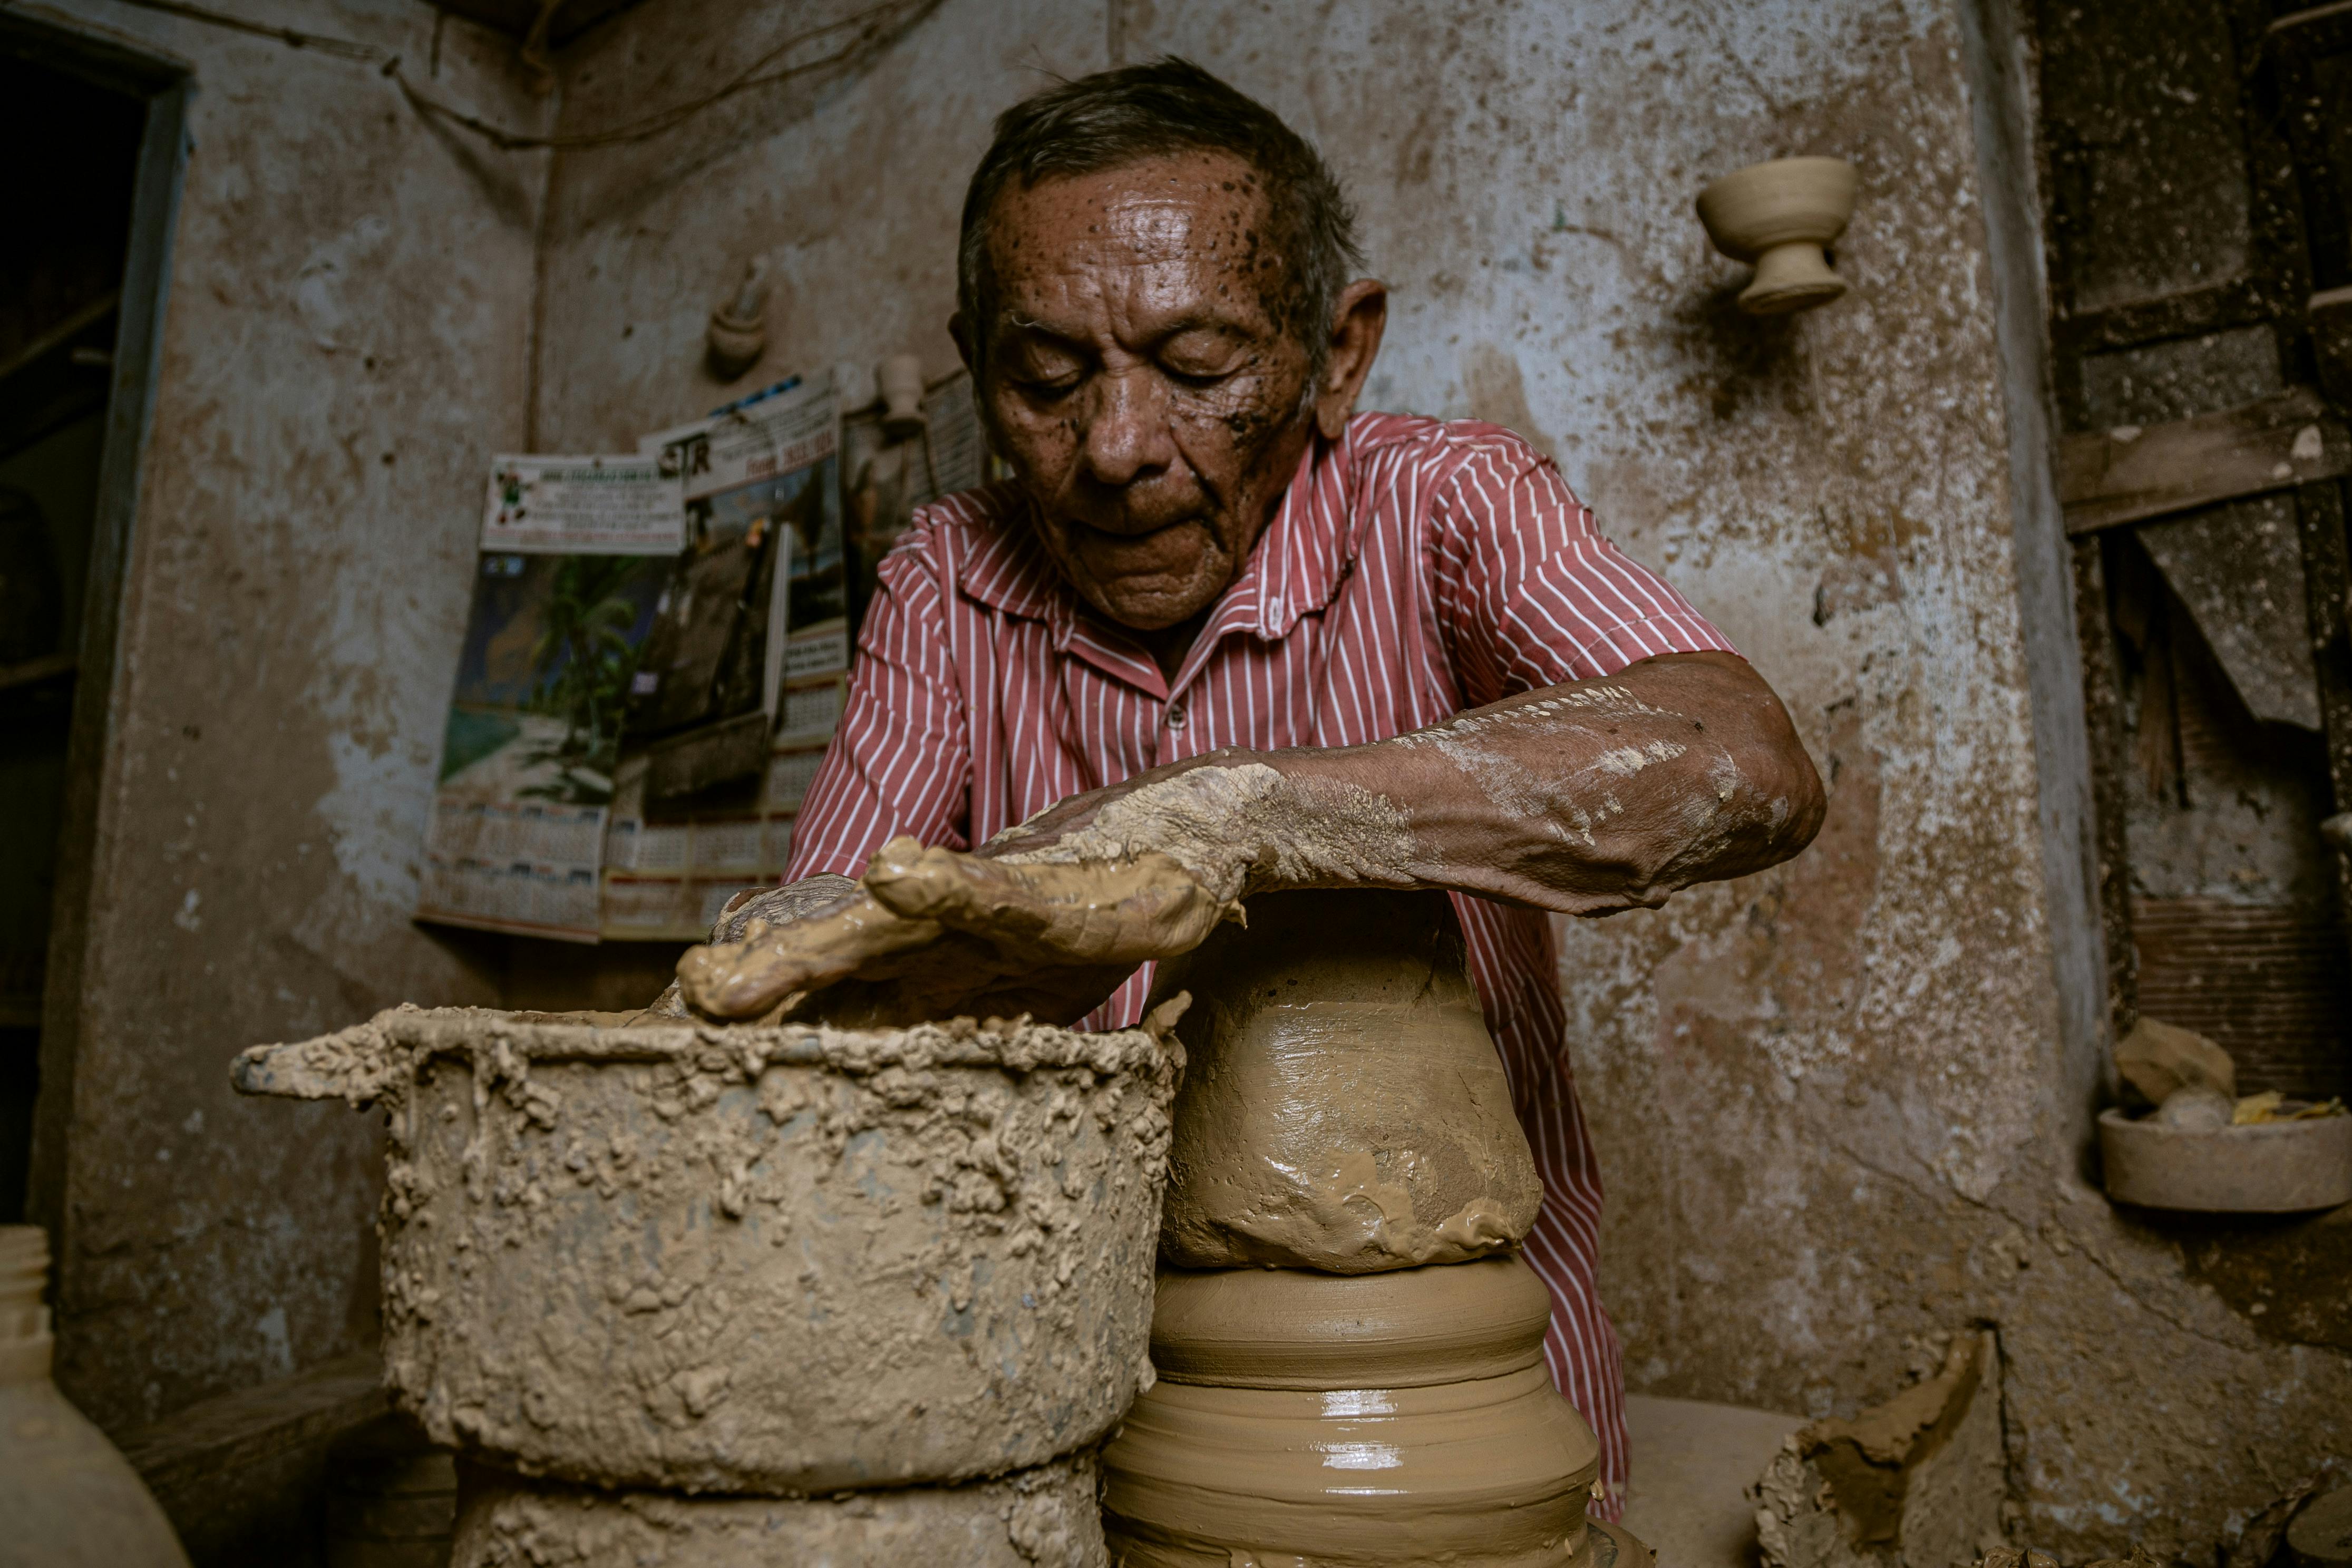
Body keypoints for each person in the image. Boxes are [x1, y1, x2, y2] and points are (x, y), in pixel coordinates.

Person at [679, 57, 1825, 1510]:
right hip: (1063, 1404)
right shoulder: (948, 580)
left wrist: (1240, 817)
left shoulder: (1441, 508)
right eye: (1044, 381)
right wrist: (924, 961)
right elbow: (808, 978)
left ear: (1335, 354)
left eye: (1201, 370)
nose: (1115, 450)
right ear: (978, 365)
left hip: (1458, 1408)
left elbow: (1746, 762)